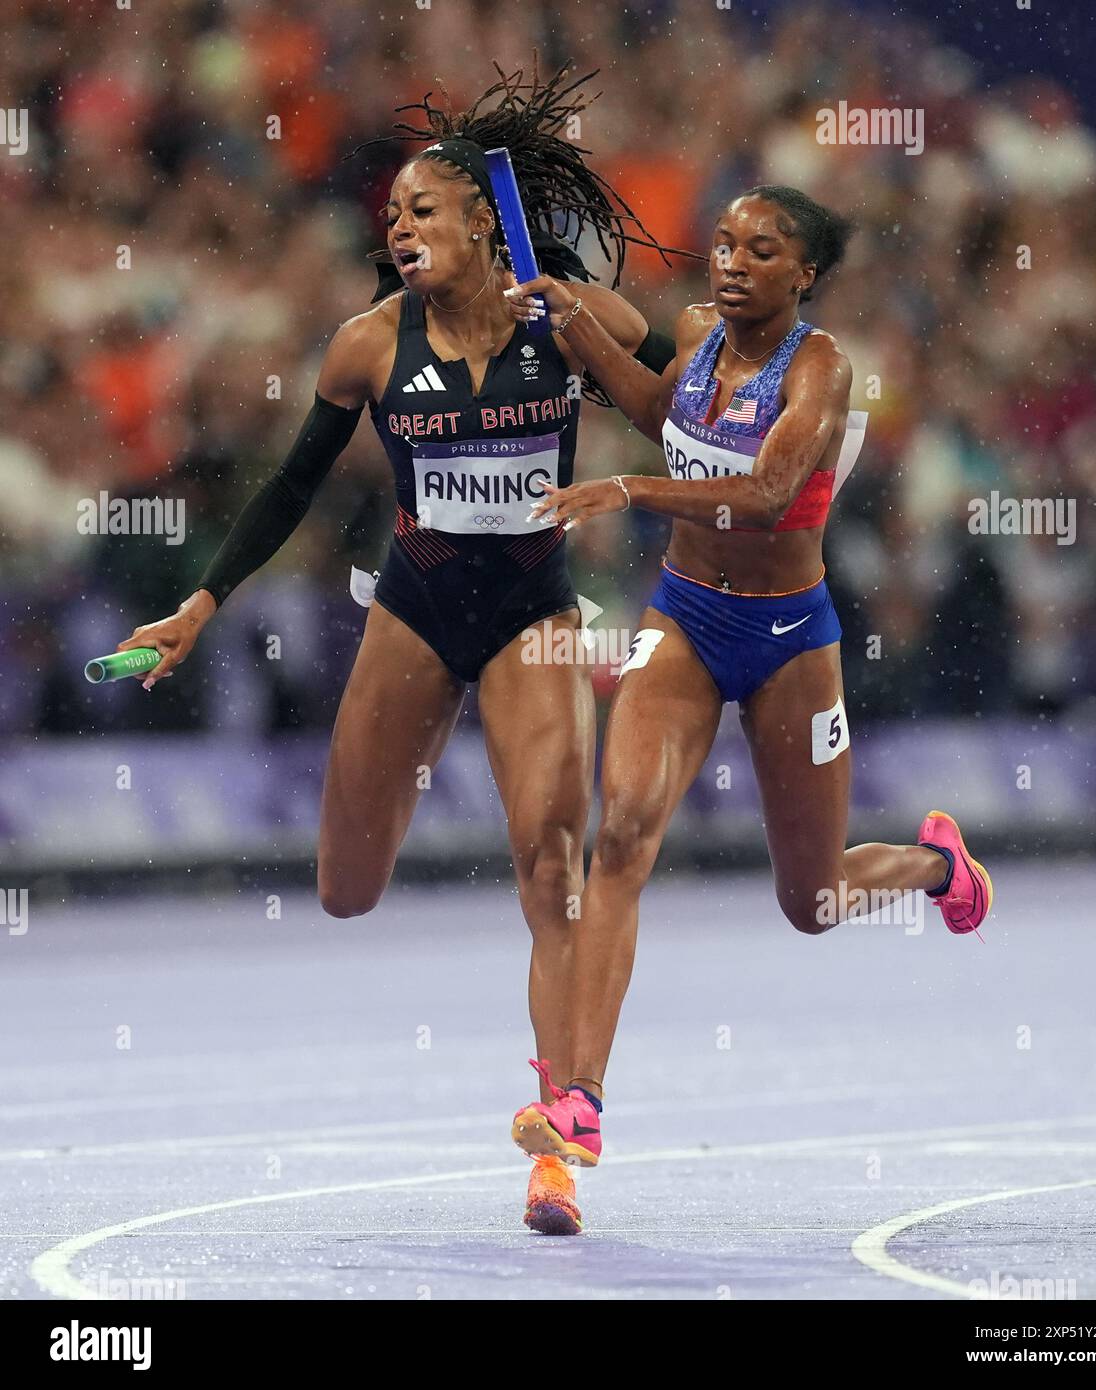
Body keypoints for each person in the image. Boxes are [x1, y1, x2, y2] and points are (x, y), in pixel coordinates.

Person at [117, 66, 693, 1236]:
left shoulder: (567, 313)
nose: (397, 227)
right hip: (415, 612)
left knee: (553, 871)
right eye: (389, 219)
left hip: (536, 616)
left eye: (420, 210)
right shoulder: (368, 346)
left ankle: (558, 1143)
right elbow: (286, 488)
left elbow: (683, 397)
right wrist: (201, 603)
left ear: (485, 220)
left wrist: (617, 356)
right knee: (344, 890)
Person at [499, 185, 994, 1177]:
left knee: (808, 903)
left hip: (788, 642)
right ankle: (581, 1100)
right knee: (623, 832)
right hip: (682, 616)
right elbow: (653, 410)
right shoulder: (693, 332)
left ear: (801, 273)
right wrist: (579, 337)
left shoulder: (819, 368)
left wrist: (626, 490)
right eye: (722, 242)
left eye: (758, 250)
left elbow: (766, 495)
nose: (728, 262)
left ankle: (938, 868)